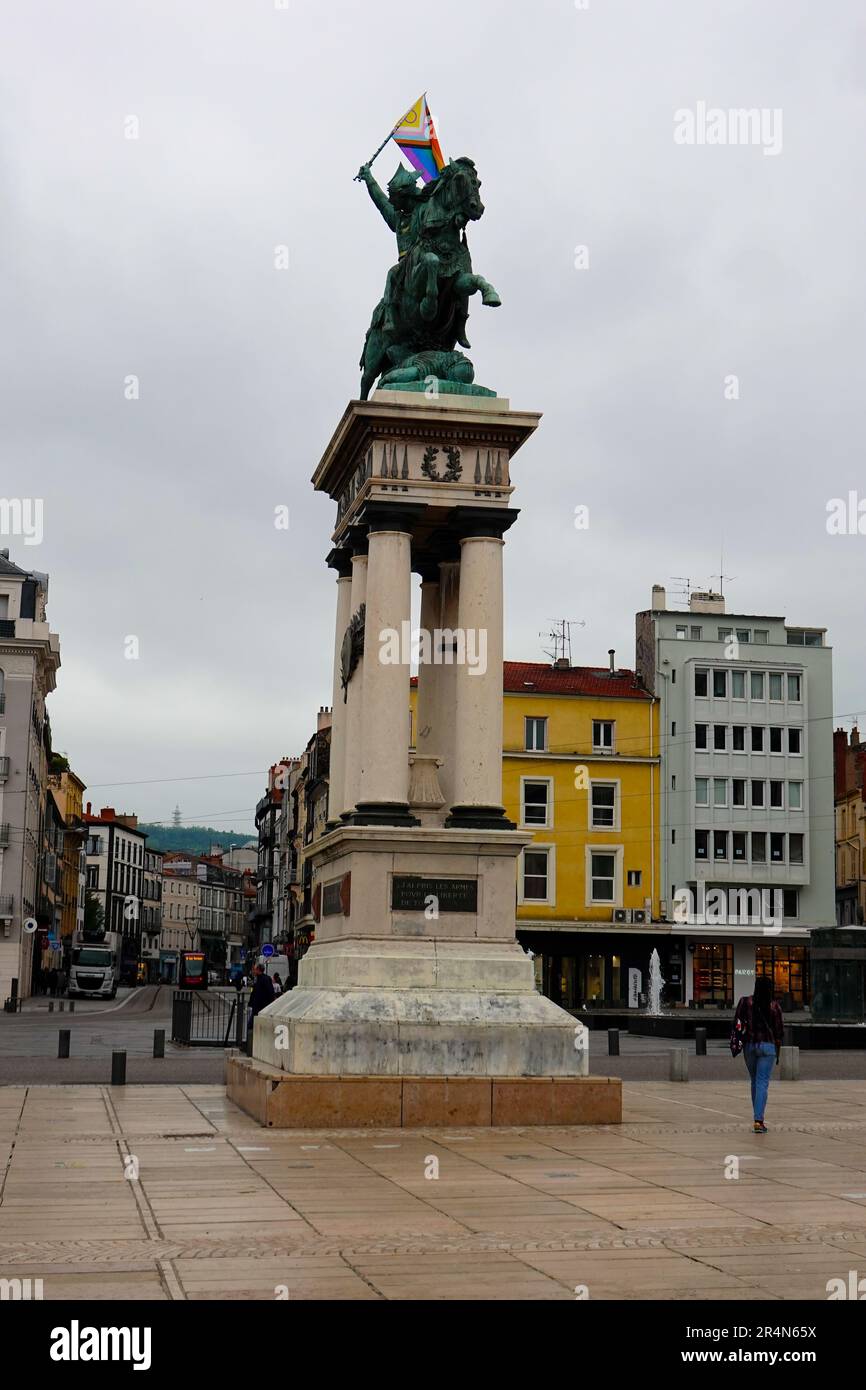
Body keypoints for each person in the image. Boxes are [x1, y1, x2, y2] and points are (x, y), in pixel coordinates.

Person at [731, 976, 784, 1133]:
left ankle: (757, 1118)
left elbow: (737, 1024)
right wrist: (778, 1049)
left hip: (750, 1046)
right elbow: (779, 1032)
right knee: (762, 1082)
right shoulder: (775, 1006)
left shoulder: (745, 1002)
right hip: (767, 1047)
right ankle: (758, 1120)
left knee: (755, 1081)